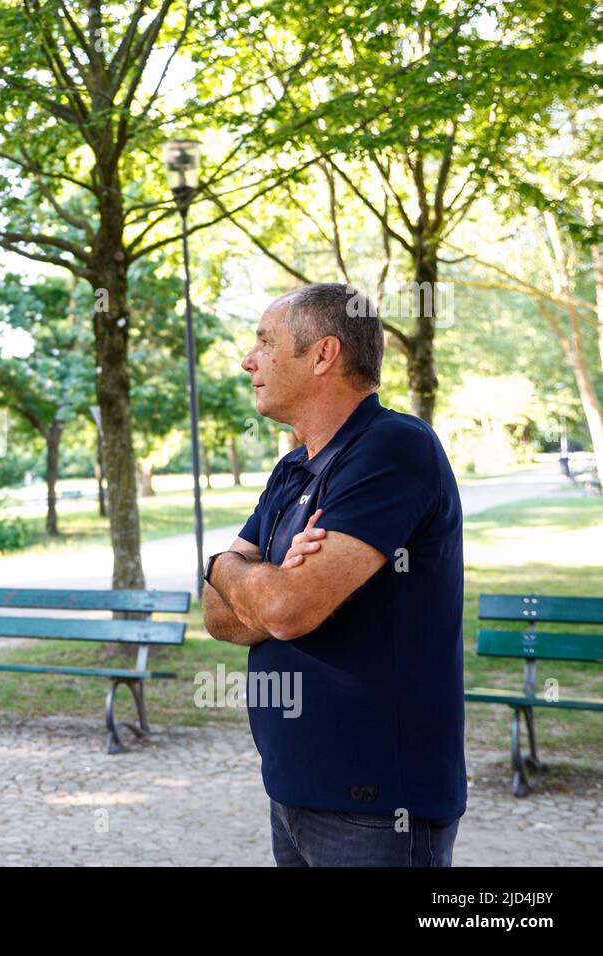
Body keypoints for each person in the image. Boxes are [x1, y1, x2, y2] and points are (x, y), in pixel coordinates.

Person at [202, 283, 466, 866]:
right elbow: (217, 615)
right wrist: (261, 581)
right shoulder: (293, 467)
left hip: (376, 805)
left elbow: (285, 611)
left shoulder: (395, 447)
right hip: (293, 789)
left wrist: (229, 566)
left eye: (265, 343)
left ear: (323, 355)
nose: (248, 361)